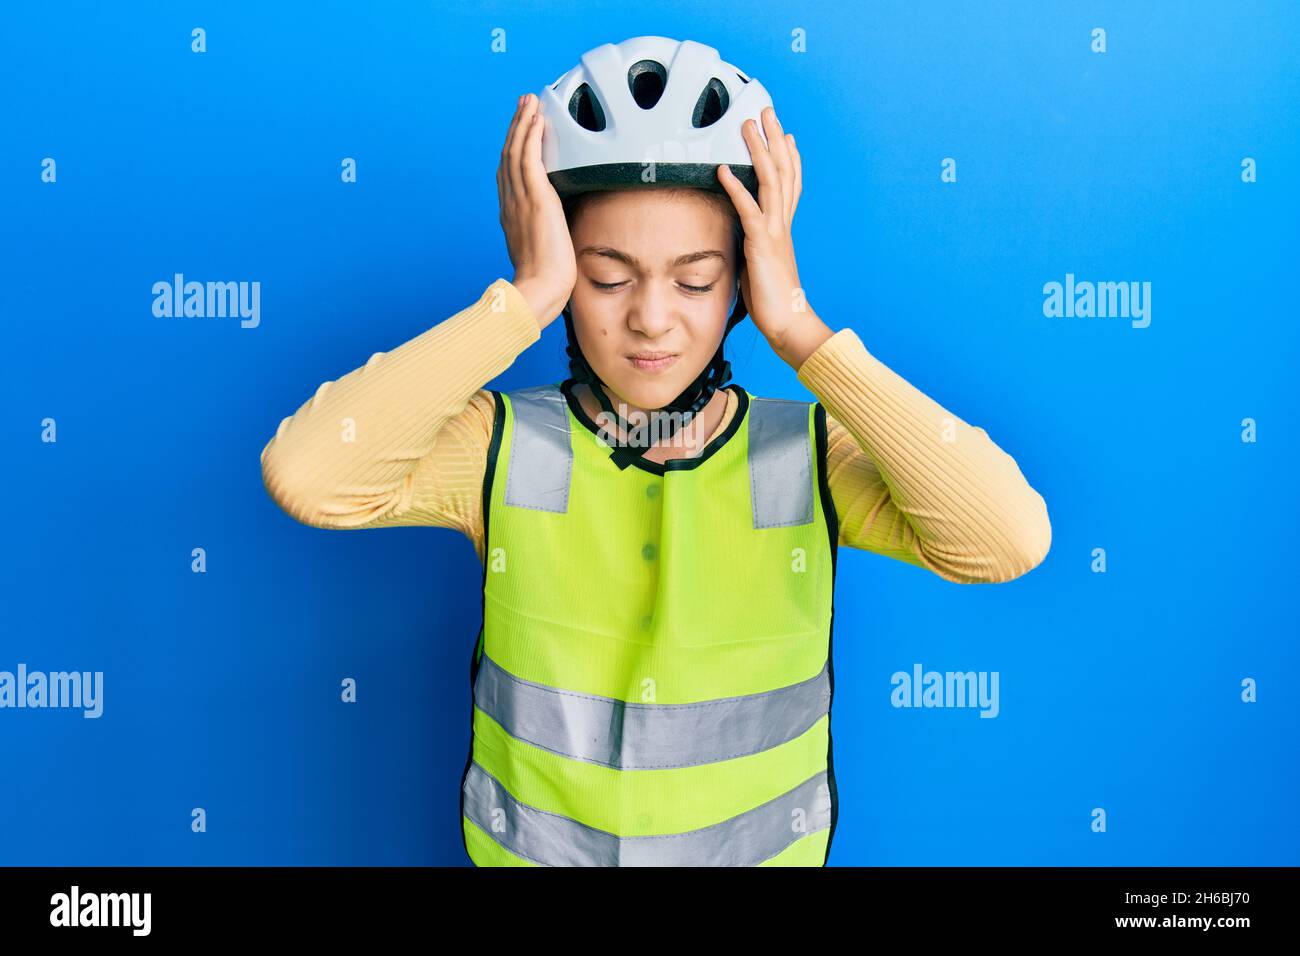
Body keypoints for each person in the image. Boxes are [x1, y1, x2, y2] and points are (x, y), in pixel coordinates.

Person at [260, 37, 1052, 866]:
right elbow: (309, 474)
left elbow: (1006, 539)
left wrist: (798, 327)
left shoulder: (810, 456)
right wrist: (523, 301)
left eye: (698, 279)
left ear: (743, 281)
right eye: (605, 278)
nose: (650, 318)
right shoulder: (499, 447)